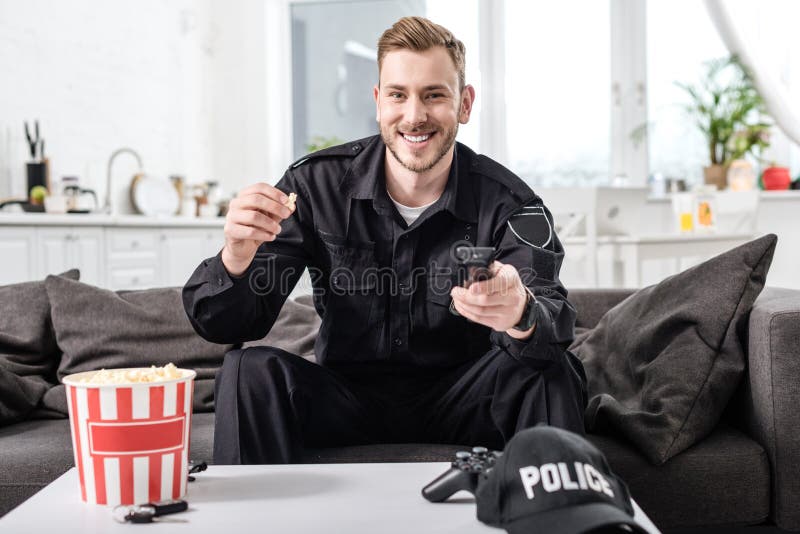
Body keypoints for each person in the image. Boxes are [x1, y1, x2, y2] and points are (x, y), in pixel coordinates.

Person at [183, 16, 586, 465]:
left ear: (465, 104)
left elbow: (554, 320)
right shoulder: (314, 186)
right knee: (246, 370)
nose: (414, 115)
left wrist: (522, 312)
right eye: (398, 94)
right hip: (345, 401)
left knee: (550, 371)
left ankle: (566, 514)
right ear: (378, 101)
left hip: (465, 400)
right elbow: (225, 327)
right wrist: (236, 258)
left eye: (434, 95)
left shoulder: (509, 202)